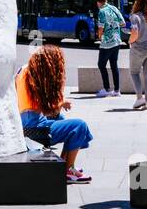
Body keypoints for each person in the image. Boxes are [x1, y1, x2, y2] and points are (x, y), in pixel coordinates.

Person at [15, 45, 93, 183]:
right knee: (79, 126)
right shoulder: (34, 76)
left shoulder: (24, 71)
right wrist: (60, 104)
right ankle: (67, 170)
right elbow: (47, 107)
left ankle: (63, 165)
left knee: (62, 118)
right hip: (34, 129)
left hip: (24, 123)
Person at [94, 0, 124, 98]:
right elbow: (123, 23)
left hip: (107, 42)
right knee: (113, 64)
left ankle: (106, 89)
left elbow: (101, 28)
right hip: (117, 40)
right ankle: (117, 90)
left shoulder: (102, 11)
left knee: (101, 65)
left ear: (98, 2)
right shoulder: (114, 8)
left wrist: (99, 36)